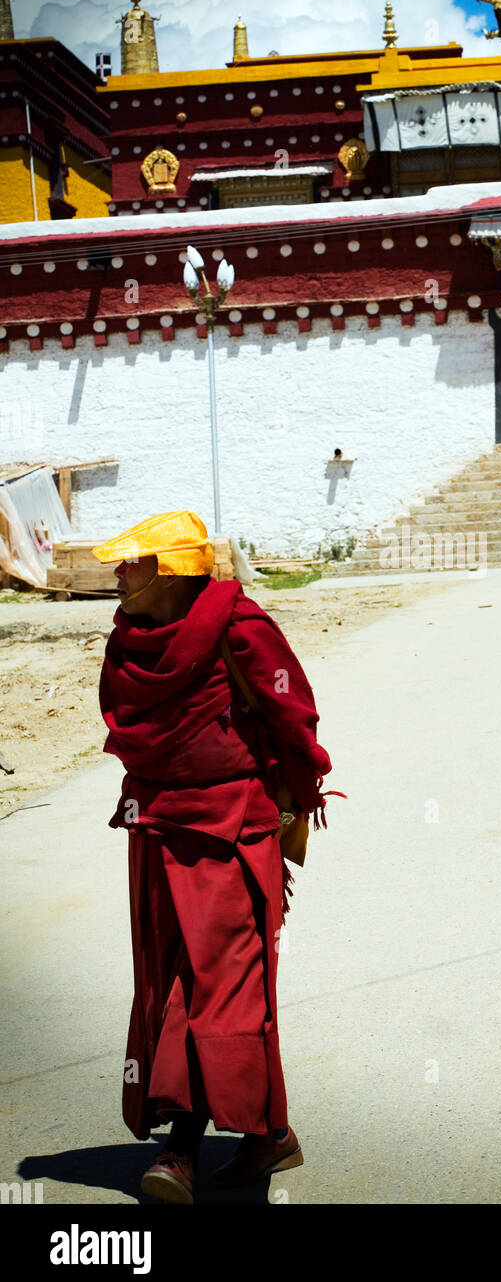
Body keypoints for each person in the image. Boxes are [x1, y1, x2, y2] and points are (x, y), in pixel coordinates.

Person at [93, 511, 339, 1204]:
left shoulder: (239, 626)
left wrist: (299, 787)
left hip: (233, 829)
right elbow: (124, 721)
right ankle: (267, 1138)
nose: (117, 571)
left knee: (220, 987)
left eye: (131, 561)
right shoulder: (128, 640)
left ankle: (181, 1150)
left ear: (172, 569)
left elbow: (294, 709)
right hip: (157, 827)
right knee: (168, 979)